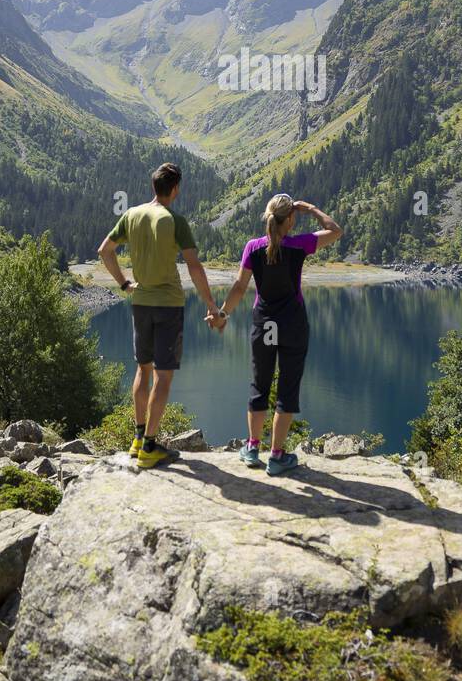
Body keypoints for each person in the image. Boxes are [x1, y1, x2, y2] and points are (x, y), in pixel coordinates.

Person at [98, 161, 221, 469]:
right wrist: (210, 304)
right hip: (168, 304)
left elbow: (104, 250)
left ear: (153, 187)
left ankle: (138, 439)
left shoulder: (131, 215)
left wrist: (124, 283)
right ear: (175, 190)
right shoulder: (174, 220)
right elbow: (194, 266)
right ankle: (151, 446)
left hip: (139, 301)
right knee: (163, 376)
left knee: (143, 370)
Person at [209, 194, 342, 476]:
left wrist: (222, 315)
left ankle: (253, 447)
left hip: (264, 325)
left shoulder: (253, 247)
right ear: (290, 219)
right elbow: (335, 231)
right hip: (292, 325)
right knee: (288, 388)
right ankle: (277, 456)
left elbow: (239, 287)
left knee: (260, 384)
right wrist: (312, 208)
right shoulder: (299, 245)